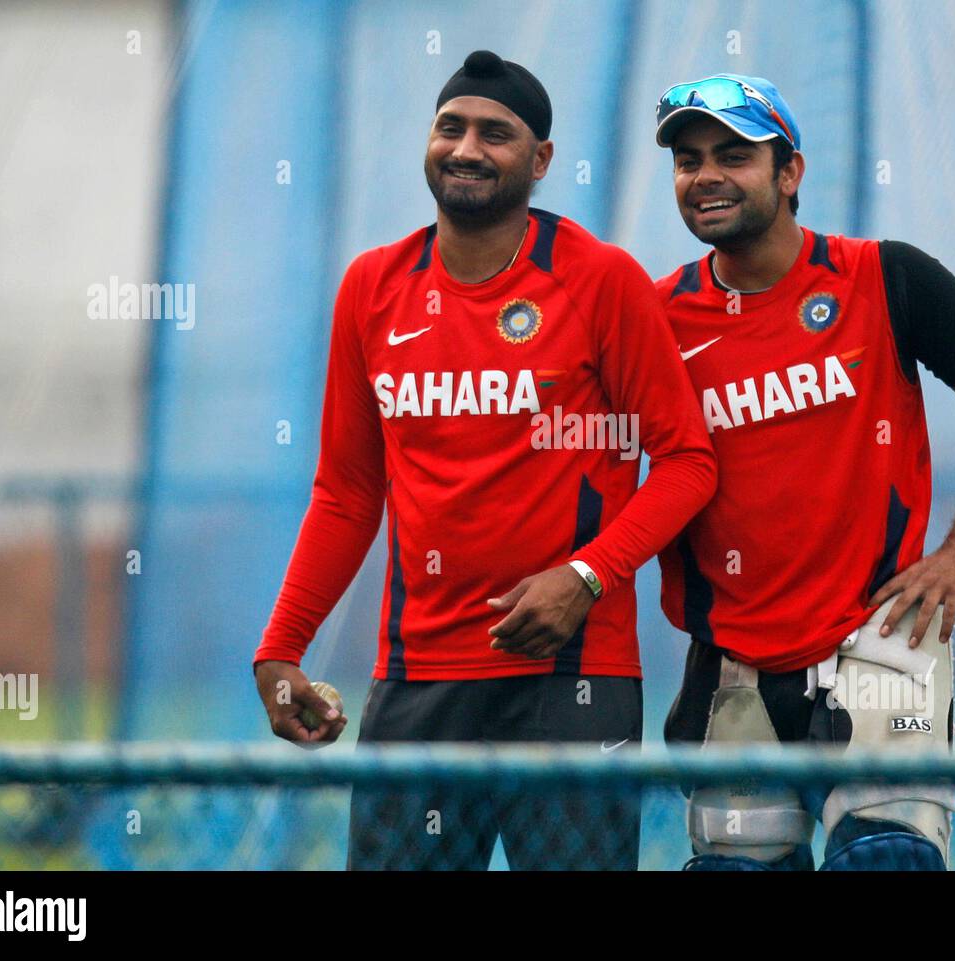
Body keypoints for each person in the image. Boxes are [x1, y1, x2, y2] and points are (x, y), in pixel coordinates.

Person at [252, 51, 716, 870]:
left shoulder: (600, 279)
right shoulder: (373, 286)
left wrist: (586, 575)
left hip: (573, 680)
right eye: (450, 127)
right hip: (417, 678)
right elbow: (348, 491)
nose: (466, 148)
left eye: (495, 134)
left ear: (539, 161)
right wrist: (283, 644)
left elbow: (686, 461)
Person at [652, 74, 955, 870]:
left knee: (885, 860)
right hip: (734, 656)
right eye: (688, 159)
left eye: (735, 154)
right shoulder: (655, 320)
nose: (706, 175)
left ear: (789, 171)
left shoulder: (887, 278)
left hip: (882, 635)